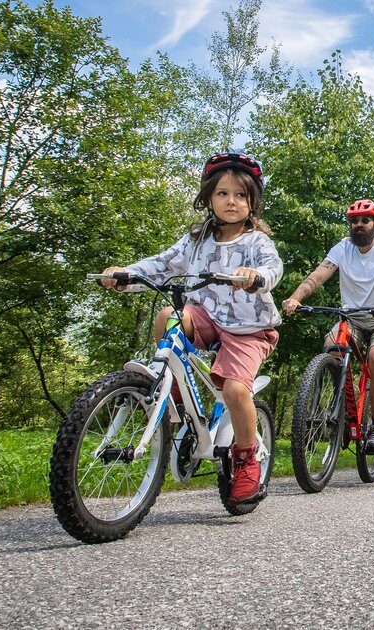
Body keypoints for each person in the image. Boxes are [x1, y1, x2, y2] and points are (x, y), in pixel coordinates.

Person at [99, 151, 283, 504]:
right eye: (223, 193)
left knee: (235, 390)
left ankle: (246, 459)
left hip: (248, 328)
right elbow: (162, 265)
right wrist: (126, 274)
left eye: (241, 195)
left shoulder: (256, 241)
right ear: (208, 197)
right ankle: (176, 395)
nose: (231, 202)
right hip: (206, 317)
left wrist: (256, 276)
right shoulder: (196, 239)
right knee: (167, 315)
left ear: (253, 202)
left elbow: (273, 267)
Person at [281, 199, 374, 454]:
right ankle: (336, 404)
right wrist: (295, 297)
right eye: (354, 221)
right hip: (352, 317)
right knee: (331, 345)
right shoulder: (343, 248)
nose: (359, 225)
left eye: (365, 220)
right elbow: (318, 276)